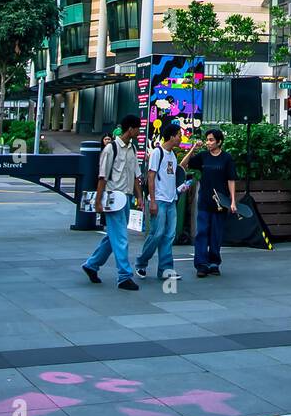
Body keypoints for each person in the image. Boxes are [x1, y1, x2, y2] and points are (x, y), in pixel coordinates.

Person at [82, 115, 143, 289]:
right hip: (114, 198)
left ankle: (92, 264)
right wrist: (98, 201)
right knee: (121, 237)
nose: (139, 132)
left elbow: (136, 175)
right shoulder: (111, 148)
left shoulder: (132, 148)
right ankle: (124, 276)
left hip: (126, 197)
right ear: (130, 129)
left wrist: (139, 196)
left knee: (113, 237)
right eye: (137, 129)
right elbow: (102, 177)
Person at [181, 127, 237, 278]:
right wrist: (193, 148)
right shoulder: (203, 156)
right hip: (205, 200)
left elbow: (231, 179)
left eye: (211, 140)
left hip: (221, 202)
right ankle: (201, 264)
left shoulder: (226, 158)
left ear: (219, 142)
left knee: (216, 234)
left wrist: (232, 201)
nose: (208, 142)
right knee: (202, 232)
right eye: (207, 140)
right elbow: (183, 165)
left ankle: (214, 263)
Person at [135, 121, 185, 281]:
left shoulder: (173, 155)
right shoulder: (157, 153)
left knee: (169, 236)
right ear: (171, 136)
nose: (181, 138)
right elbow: (151, 176)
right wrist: (153, 201)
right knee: (157, 234)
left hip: (171, 200)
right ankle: (141, 263)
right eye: (179, 135)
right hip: (159, 200)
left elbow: (174, 173)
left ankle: (165, 269)